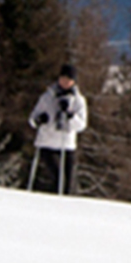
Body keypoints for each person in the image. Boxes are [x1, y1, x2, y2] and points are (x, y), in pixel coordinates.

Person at [28, 64, 87, 195]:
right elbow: (33, 117)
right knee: (57, 176)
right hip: (47, 142)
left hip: (66, 144)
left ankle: (64, 207)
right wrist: (38, 120)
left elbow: (82, 124)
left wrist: (70, 117)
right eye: (63, 78)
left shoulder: (78, 101)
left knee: (68, 182)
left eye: (69, 79)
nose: (65, 82)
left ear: (74, 81)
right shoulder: (48, 96)